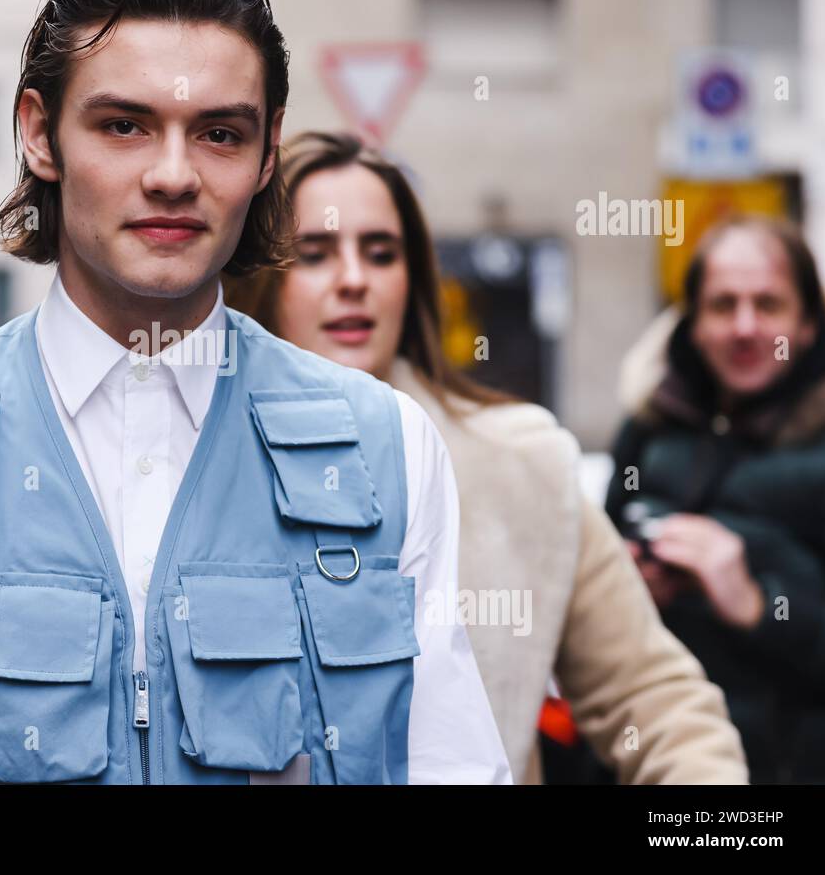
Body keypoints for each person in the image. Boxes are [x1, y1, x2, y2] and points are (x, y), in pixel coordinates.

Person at [0, 0, 509, 785]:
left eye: (221, 133)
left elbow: (453, 768)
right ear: (40, 135)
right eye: (125, 125)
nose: (173, 175)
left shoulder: (388, 450)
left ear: (267, 161)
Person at [223, 130, 747, 783]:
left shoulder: (524, 464)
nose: (354, 279)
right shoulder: (195, 460)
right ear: (261, 274)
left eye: (380, 252)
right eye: (315, 253)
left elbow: (656, 700)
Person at [606, 214, 825, 784]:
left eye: (769, 304)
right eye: (723, 305)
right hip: (656, 770)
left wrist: (760, 604)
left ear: (808, 324)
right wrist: (627, 590)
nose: (745, 326)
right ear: (694, 324)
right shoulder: (648, 429)